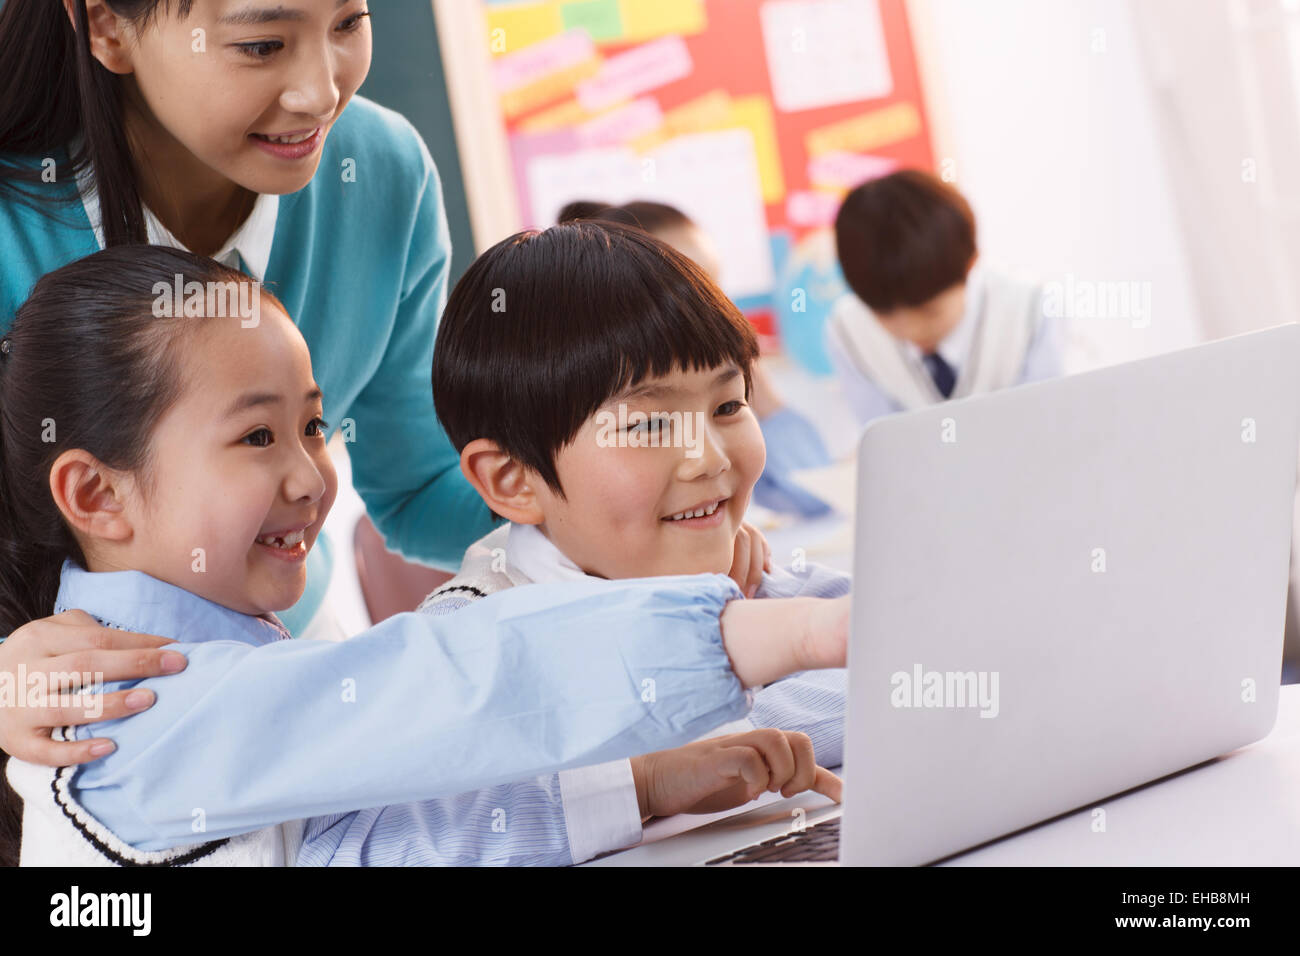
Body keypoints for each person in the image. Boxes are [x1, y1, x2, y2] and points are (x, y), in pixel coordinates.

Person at [0, 0, 772, 777]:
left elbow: (420, 486)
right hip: (67, 707)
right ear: (105, 26)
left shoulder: (375, 170)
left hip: (281, 663)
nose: (320, 92)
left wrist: (646, 504)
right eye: (263, 43)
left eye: (347, 23)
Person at [0, 246, 849, 865]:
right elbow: (453, 684)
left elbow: (366, 842)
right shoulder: (127, 712)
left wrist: (644, 786)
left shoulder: (205, 667)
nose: (312, 476)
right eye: (258, 436)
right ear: (97, 496)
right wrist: (774, 634)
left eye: (313, 427)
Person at [301, 220, 850, 865]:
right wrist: (640, 783)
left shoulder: (752, 578)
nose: (707, 459)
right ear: (512, 480)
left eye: (728, 406)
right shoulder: (465, 641)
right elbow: (350, 851)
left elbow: (910, 667)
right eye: (647, 425)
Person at [557, 200, 834, 517]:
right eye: (693, 293)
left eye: (716, 290)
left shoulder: (723, 387)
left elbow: (814, 496)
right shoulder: (615, 412)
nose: (717, 310)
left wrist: (753, 384)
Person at [826, 170, 1063, 427]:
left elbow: (1048, 425)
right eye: (884, 316)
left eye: (930, 312)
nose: (909, 331)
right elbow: (880, 439)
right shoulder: (847, 331)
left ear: (971, 265)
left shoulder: (1031, 310)